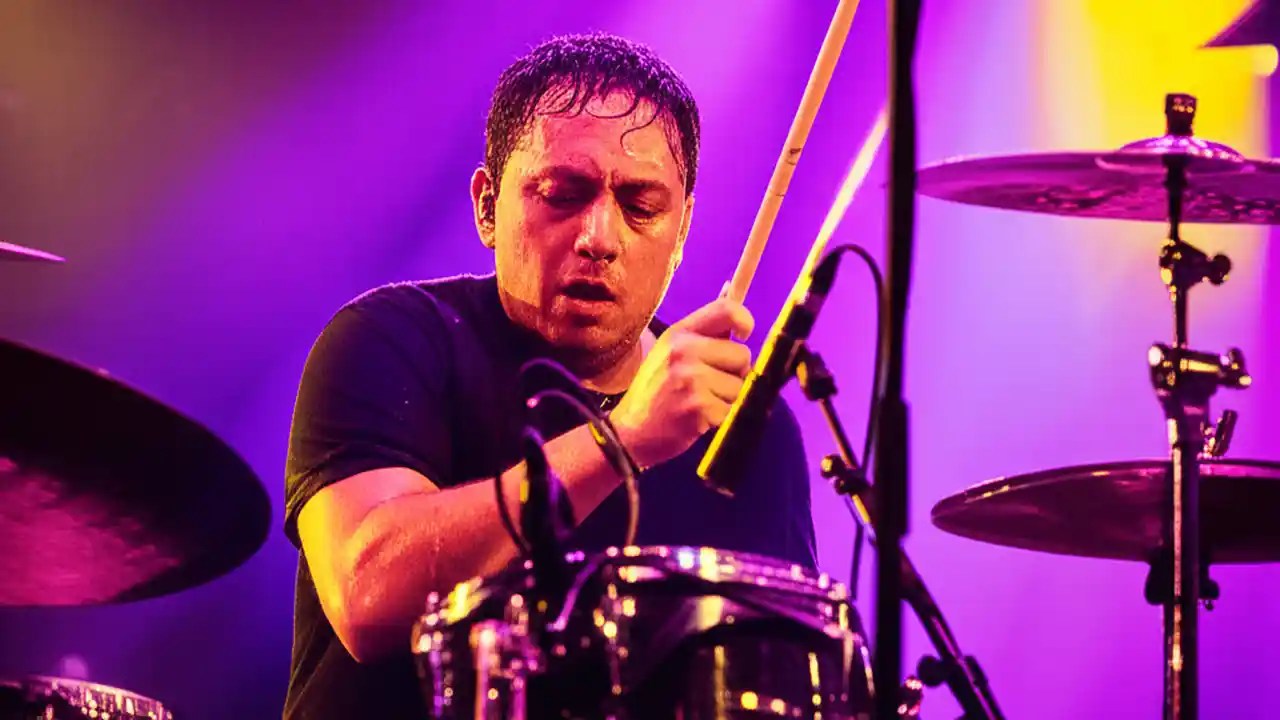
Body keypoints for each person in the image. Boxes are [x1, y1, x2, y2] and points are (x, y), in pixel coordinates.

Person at [281, 32, 817, 720]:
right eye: (564, 194)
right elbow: (368, 596)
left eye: (642, 206)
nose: (599, 236)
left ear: (682, 232)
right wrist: (619, 440)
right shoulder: (389, 339)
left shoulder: (750, 429)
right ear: (485, 206)